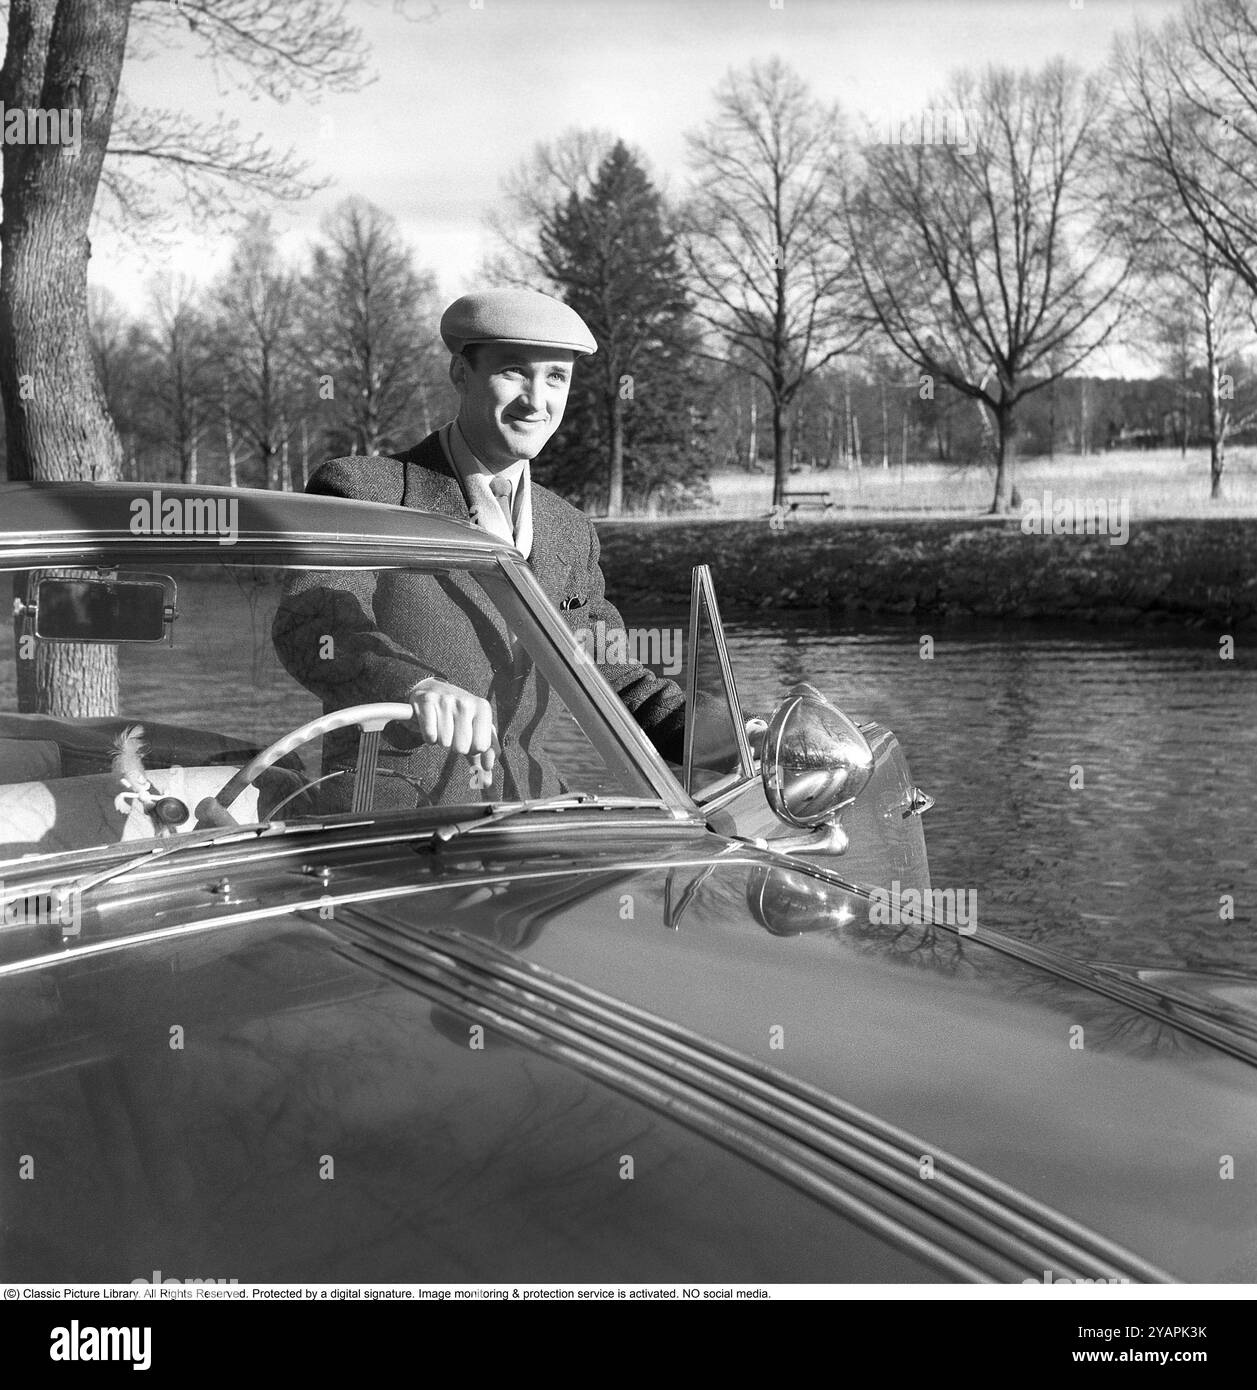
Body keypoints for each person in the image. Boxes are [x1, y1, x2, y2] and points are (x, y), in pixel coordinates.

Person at [272, 288, 761, 807]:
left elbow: (614, 678)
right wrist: (414, 687)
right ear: (461, 374)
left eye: (556, 378)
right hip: (386, 828)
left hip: (529, 818)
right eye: (514, 373)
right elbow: (314, 626)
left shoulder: (568, 528)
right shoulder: (364, 491)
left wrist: (742, 739)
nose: (536, 400)